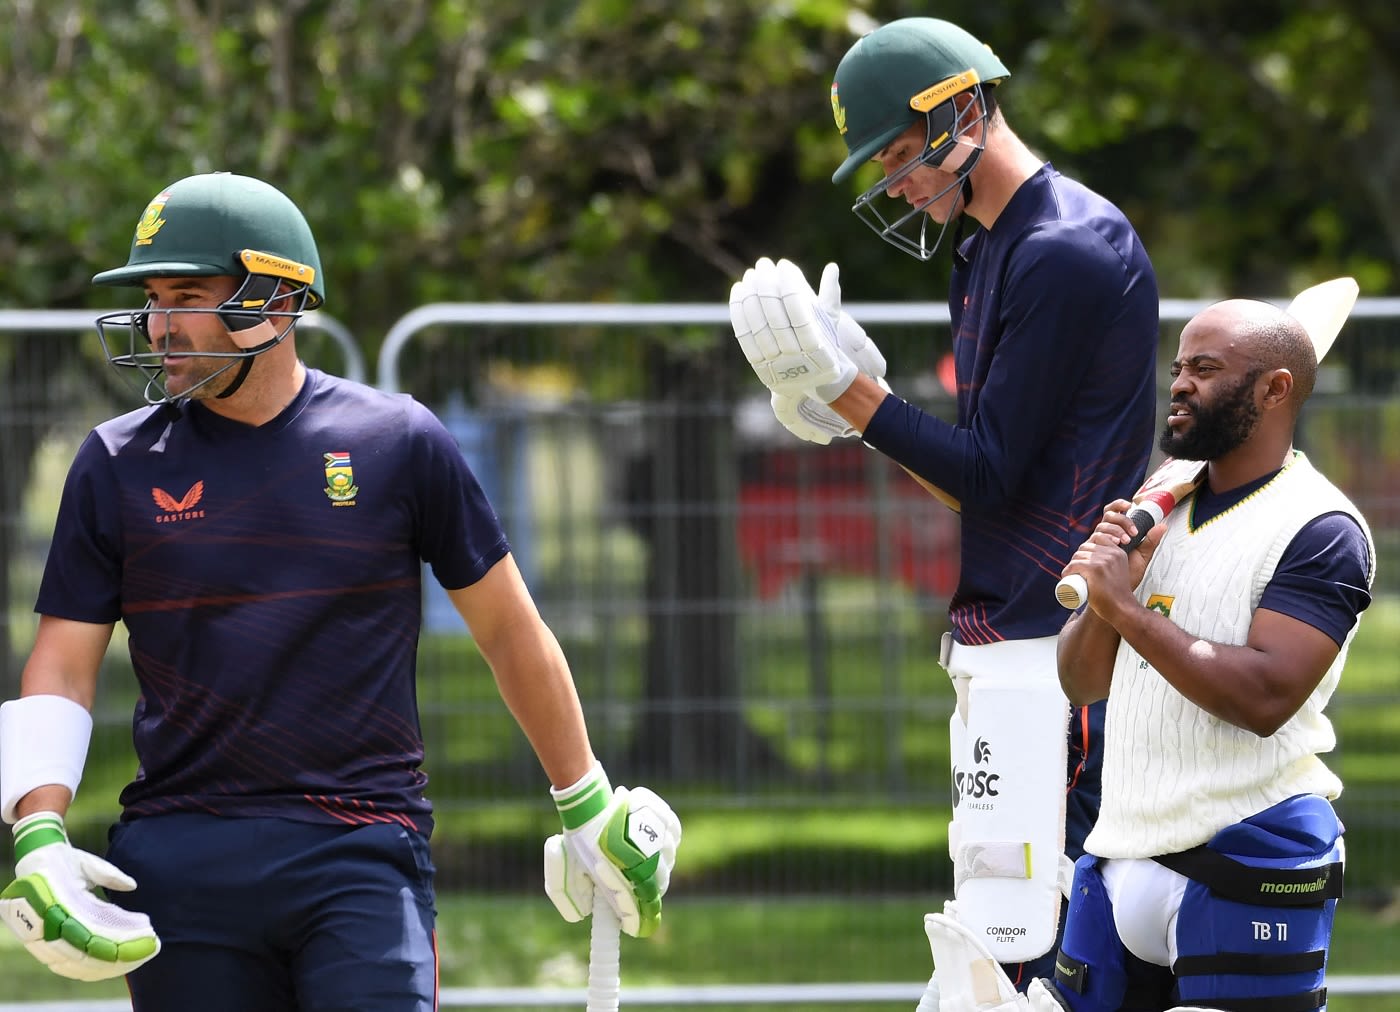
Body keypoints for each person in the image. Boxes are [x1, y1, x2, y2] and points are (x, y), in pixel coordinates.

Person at [0, 171, 681, 1011]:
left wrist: (585, 803)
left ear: (276, 300)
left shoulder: (400, 441)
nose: (159, 324)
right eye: (151, 299)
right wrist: (38, 832)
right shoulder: (114, 462)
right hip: (179, 853)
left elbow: (509, 630)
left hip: (362, 850)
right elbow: (64, 666)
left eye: (186, 296)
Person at [727, 15, 1161, 1001]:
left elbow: (987, 474)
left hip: (1057, 649)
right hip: (1005, 650)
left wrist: (849, 393)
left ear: (961, 110)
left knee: (1042, 958)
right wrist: (860, 410)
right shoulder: (987, 247)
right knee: (991, 951)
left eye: (896, 153)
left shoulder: (1063, 247)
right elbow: (978, 479)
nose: (893, 183)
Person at [1037, 298, 1374, 1011]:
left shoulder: (1321, 528)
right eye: (1180, 367)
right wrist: (1109, 596)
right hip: (1120, 850)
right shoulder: (1162, 510)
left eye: (1207, 369)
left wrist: (1127, 610)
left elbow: (1264, 697)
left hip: (1250, 850)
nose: (1182, 384)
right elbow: (1081, 680)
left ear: (1274, 389)